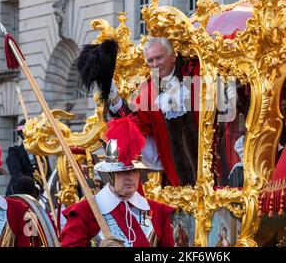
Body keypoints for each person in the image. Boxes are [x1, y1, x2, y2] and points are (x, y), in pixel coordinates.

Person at [60, 115, 175, 247]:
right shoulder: (84, 212)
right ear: (110, 174)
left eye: (134, 171)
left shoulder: (158, 212)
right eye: (122, 172)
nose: (130, 177)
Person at [108, 37, 200, 186]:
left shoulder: (196, 72)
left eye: (159, 58)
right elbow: (136, 121)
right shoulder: (148, 89)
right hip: (176, 174)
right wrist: (115, 99)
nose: (155, 64)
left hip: (211, 163)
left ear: (172, 56)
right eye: (150, 61)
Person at [6, 119, 47, 197]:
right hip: (20, 190)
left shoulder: (41, 151)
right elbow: (16, 173)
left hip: (40, 191)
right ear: (21, 134)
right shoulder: (14, 151)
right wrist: (31, 185)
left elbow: (47, 172)